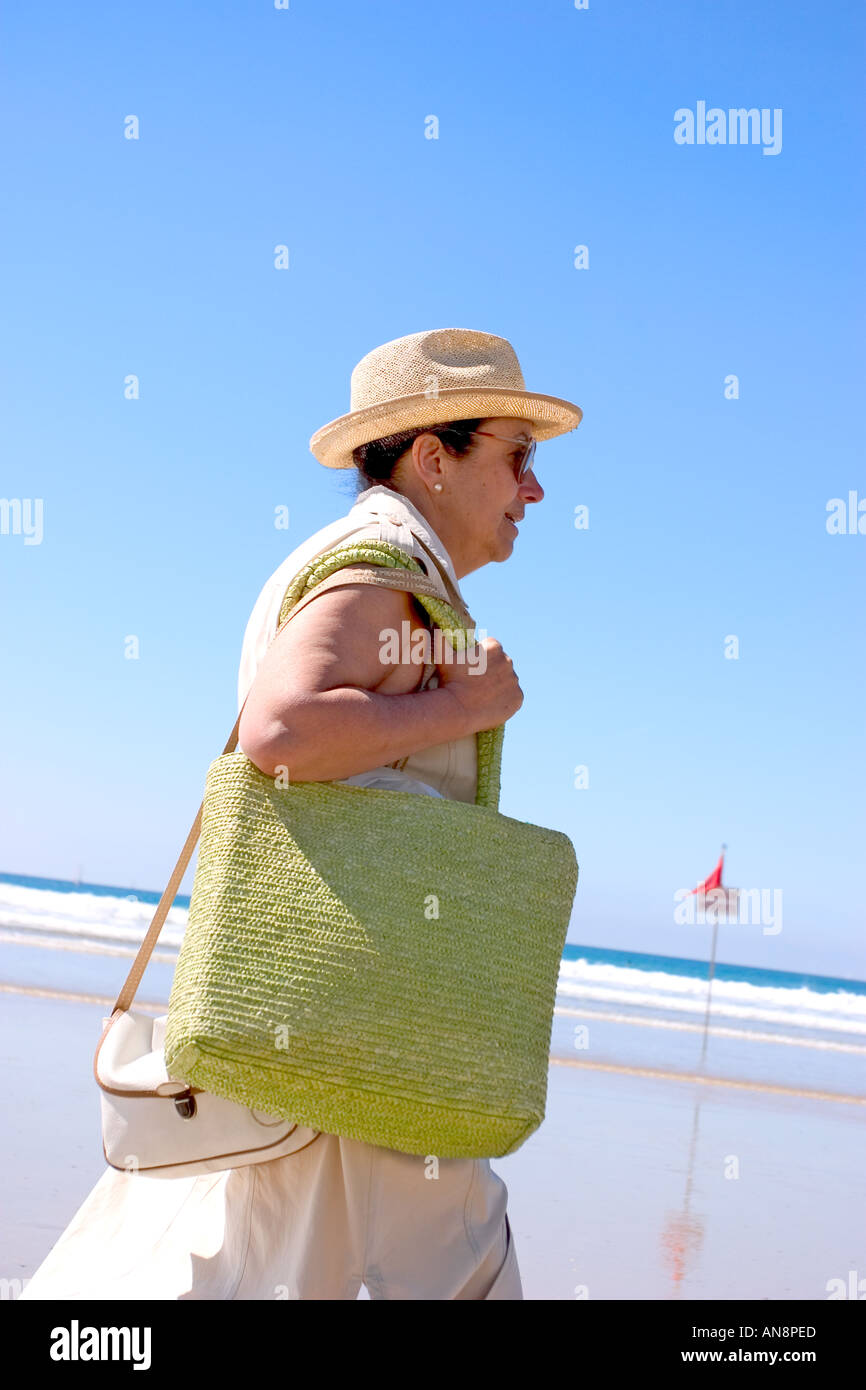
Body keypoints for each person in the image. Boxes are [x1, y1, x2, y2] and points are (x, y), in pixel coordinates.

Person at [21, 327, 582, 1300]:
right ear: (433, 457)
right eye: (516, 456)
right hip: (348, 1050)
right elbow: (281, 731)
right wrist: (469, 705)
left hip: (326, 1035)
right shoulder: (381, 567)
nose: (533, 489)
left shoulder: (366, 565)